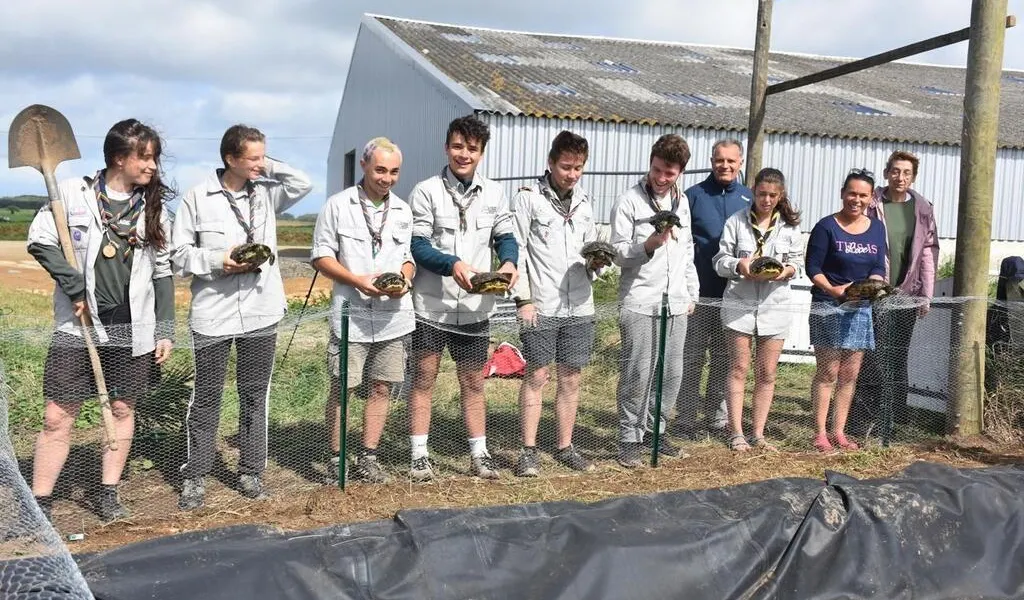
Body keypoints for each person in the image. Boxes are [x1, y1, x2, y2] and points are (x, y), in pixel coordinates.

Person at [27, 119, 175, 522]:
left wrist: (165, 329)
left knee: (123, 408)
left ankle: (108, 493)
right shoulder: (71, 194)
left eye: (155, 158)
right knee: (57, 415)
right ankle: (40, 503)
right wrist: (72, 284)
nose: (152, 166)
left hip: (133, 325)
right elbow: (40, 241)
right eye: (145, 157)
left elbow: (163, 272)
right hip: (78, 323)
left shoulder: (154, 209)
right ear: (119, 158)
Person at [172, 124, 312, 509]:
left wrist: (267, 165)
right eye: (252, 158)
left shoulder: (266, 193)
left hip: (261, 310)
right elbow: (179, 255)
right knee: (207, 396)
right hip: (212, 313)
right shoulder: (197, 197)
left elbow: (303, 183)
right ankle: (195, 475)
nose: (259, 165)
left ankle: (251, 471)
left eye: (263, 157)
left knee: (254, 394)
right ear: (229, 158)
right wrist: (219, 260)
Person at [407, 115, 519, 481]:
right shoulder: (426, 191)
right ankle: (419, 456)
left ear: (481, 153)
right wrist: (451, 264)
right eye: (457, 146)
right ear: (446, 147)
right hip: (431, 307)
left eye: (472, 149)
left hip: (475, 309)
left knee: (473, 381)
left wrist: (509, 261)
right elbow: (418, 245)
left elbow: (505, 236)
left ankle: (479, 454)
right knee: (424, 378)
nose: (464, 154)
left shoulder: (495, 193)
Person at [310, 137, 415, 484]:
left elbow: (407, 258)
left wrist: (406, 278)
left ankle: (368, 456)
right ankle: (336, 457)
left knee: (382, 387)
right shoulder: (337, 206)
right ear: (364, 166)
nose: (387, 178)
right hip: (350, 315)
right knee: (343, 388)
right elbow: (321, 257)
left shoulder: (402, 211)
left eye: (394, 172)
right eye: (380, 170)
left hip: (392, 317)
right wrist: (356, 280)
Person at [510, 131, 605, 477]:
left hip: (580, 304)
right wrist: (523, 298)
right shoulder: (528, 198)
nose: (572, 174)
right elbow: (516, 250)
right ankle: (528, 450)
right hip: (542, 304)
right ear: (550, 163)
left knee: (571, 377)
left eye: (578, 168)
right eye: (566, 167)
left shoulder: (585, 203)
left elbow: (590, 249)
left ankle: (565, 446)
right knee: (537, 374)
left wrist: (598, 263)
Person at [610, 134, 699, 468]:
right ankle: (629, 437)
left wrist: (690, 292)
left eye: (670, 173)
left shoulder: (682, 202)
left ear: (680, 172)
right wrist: (647, 245)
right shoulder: (629, 201)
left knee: (671, 373)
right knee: (639, 371)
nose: (662, 178)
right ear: (650, 163)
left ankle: (654, 432)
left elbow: (687, 250)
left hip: (675, 301)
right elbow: (618, 252)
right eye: (657, 170)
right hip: (640, 299)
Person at [850, 151, 940, 439]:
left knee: (898, 355)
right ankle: (862, 418)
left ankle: (894, 418)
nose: (900, 177)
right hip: (876, 291)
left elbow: (928, 253)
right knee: (871, 356)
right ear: (887, 173)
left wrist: (926, 294)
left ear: (913, 177)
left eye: (907, 173)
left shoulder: (922, 208)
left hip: (907, 293)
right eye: (895, 171)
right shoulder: (873, 203)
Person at [713, 168, 802, 452]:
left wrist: (786, 271)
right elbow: (719, 260)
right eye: (762, 194)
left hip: (775, 307)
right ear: (753, 191)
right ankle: (736, 432)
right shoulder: (736, 222)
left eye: (773, 195)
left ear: (781, 195)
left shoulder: (789, 227)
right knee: (739, 367)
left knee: (767, 373)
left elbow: (797, 262)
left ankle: (758, 433)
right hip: (739, 305)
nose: (766, 200)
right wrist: (738, 266)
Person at [805, 169, 888, 452]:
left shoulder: (876, 228)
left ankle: (839, 432)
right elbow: (813, 267)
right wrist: (834, 290)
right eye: (852, 193)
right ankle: (820, 433)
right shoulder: (826, 226)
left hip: (860, 308)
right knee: (828, 371)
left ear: (871, 198)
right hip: (828, 305)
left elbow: (878, 265)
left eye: (863, 195)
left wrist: (873, 285)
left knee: (850, 373)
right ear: (843, 194)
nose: (856, 200)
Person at [677, 140, 752, 437]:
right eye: (720, 160)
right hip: (699, 293)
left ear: (740, 163)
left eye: (731, 161)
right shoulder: (693, 196)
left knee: (725, 359)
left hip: (735, 295)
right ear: (711, 161)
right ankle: (685, 418)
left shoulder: (749, 198)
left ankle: (717, 419)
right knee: (692, 357)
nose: (725, 166)